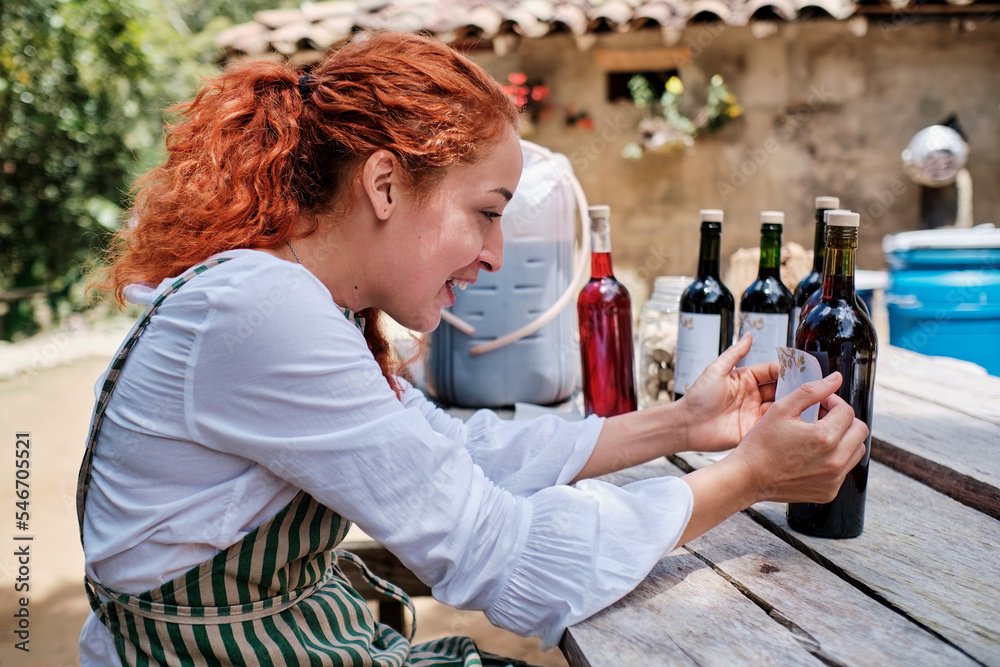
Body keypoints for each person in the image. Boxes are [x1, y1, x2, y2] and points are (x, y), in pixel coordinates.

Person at [77, 31, 867, 666]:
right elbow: (506, 560)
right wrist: (749, 478)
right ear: (384, 186)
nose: (496, 254)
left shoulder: (293, 300)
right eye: (487, 213)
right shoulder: (264, 310)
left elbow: (457, 450)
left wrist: (685, 425)